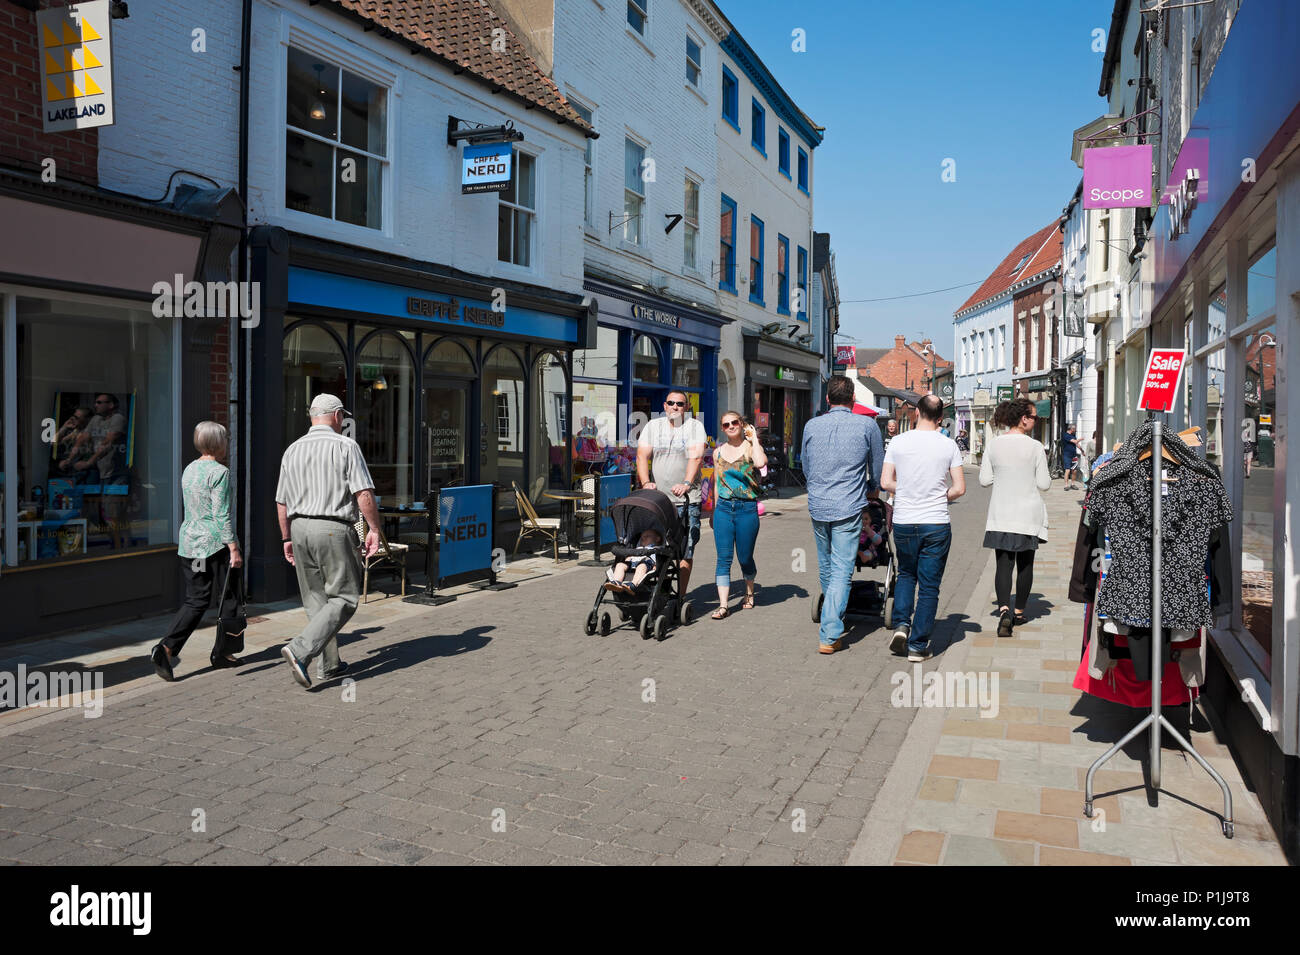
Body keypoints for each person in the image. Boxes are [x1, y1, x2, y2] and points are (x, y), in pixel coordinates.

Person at [275, 394, 381, 689]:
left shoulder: (292, 450)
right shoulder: (346, 446)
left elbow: (281, 502)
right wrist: (373, 529)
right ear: (336, 416)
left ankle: (330, 665)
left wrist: (285, 536)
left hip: (298, 528)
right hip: (332, 528)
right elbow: (363, 493)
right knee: (345, 598)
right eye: (342, 416)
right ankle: (299, 650)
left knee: (316, 600)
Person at [151, 422, 243, 681]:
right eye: (226, 439)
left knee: (197, 599)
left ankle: (167, 648)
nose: (228, 443)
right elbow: (221, 514)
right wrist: (233, 547)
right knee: (229, 597)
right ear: (219, 443)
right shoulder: (220, 472)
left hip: (190, 544)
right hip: (215, 544)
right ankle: (223, 654)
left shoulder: (190, 469)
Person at [801, 375, 884, 654]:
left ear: (827, 399)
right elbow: (877, 464)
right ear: (853, 400)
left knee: (826, 565)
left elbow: (806, 465)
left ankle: (833, 613)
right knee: (841, 569)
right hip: (848, 505)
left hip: (819, 504)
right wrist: (872, 489)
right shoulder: (867, 425)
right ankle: (830, 631)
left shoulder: (812, 425)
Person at [881, 394, 966, 661]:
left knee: (906, 575)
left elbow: (886, 481)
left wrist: (908, 489)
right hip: (936, 522)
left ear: (916, 412)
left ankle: (902, 625)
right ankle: (918, 647)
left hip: (905, 520)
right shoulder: (948, 445)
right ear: (941, 418)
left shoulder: (897, 441)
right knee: (929, 586)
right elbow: (960, 488)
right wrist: (940, 494)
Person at [980, 398, 1051, 637]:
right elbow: (1044, 484)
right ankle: (1019, 612)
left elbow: (984, 480)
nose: (1035, 420)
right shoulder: (1035, 447)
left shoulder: (994, 444)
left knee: (1003, 564)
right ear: (1024, 419)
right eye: (1034, 417)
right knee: (1025, 565)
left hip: (1001, 513)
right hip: (1027, 515)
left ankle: (1003, 611)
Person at [637, 390, 706, 601]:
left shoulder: (695, 427)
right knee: (654, 546)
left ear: (686, 408)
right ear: (665, 406)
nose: (675, 407)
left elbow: (696, 457)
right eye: (671, 403)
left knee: (685, 550)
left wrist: (686, 483)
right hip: (658, 502)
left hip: (687, 501)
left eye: (680, 404)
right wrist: (645, 482)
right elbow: (642, 455)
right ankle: (654, 589)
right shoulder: (652, 426)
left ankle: (680, 597)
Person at [710, 411, 767, 619]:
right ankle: (723, 605)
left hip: (746, 510)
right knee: (723, 559)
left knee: (744, 557)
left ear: (742, 424)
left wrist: (755, 439)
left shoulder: (752, 448)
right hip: (724, 510)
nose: (731, 426)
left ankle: (749, 592)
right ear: (723, 428)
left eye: (735, 422)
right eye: (726, 424)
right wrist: (715, 511)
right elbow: (718, 483)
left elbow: (760, 464)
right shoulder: (717, 453)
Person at [81, 393, 129, 548]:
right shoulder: (96, 420)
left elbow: (108, 443)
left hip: (116, 473)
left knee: (112, 514)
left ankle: (119, 548)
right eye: (95, 402)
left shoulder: (118, 419)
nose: (96, 405)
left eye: (100, 402)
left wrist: (89, 461)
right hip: (101, 473)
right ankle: (119, 544)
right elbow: (84, 437)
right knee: (102, 512)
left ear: (111, 405)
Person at [605, 529, 662, 593]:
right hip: (632, 562)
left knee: (641, 566)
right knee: (620, 565)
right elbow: (632, 554)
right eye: (642, 536)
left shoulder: (656, 548)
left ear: (657, 539)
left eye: (647, 536)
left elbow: (658, 558)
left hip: (646, 563)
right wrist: (628, 559)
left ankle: (633, 584)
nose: (643, 538)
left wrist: (656, 565)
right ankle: (616, 582)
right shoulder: (638, 548)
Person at [1062, 423, 1082, 489]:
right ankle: (1066, 485)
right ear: (1072, 429)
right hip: (1067, 455)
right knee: (1067, 470)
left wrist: (1082, 451)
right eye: (1075, 429)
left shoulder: (1073, 435)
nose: (1075, 430)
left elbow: (1077, 444)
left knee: (1074, 470)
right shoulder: (1066, 435)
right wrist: (1081, 439)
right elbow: (1075, 441)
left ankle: (1073, 484)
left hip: (1074, 455)